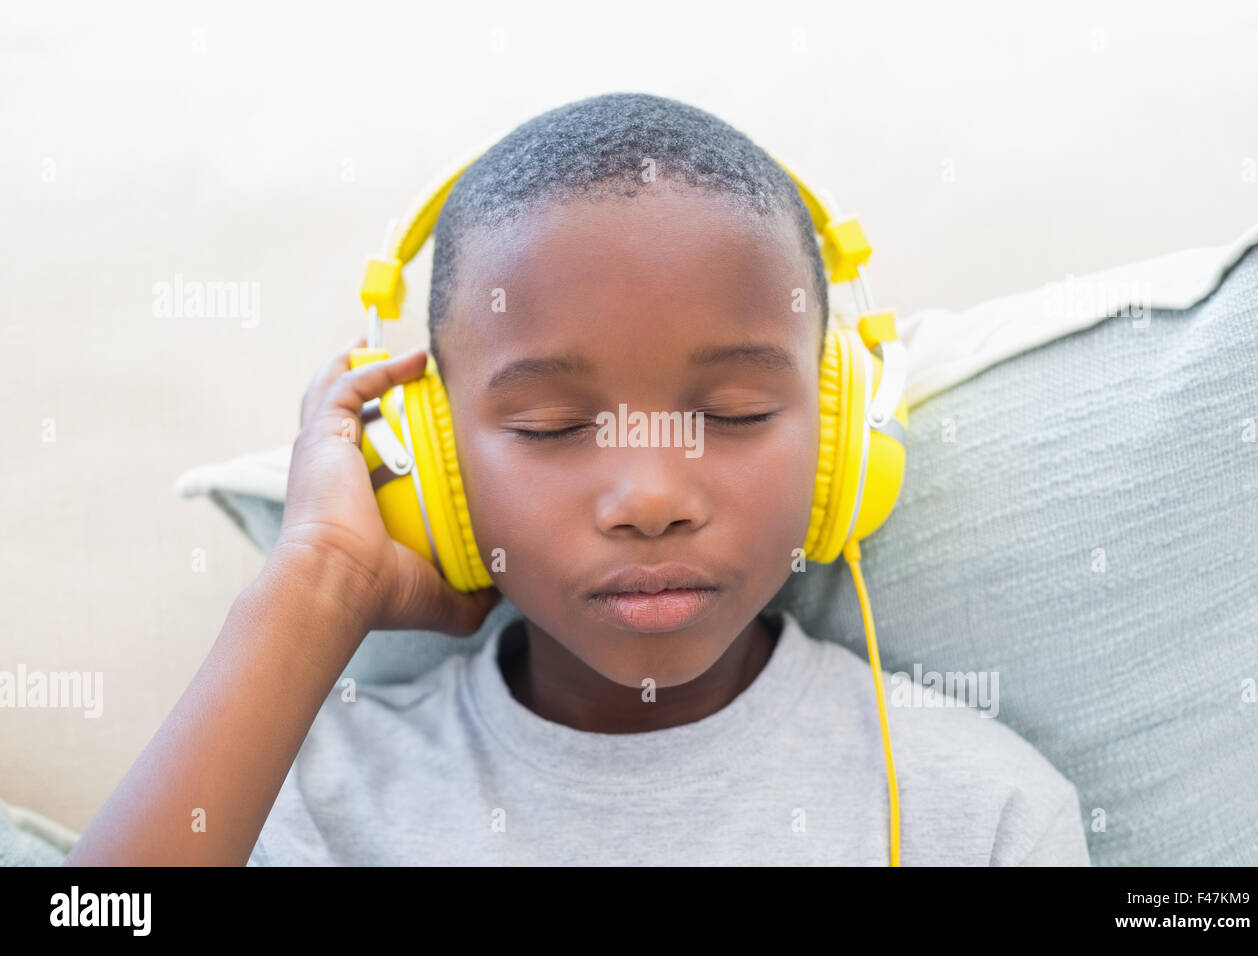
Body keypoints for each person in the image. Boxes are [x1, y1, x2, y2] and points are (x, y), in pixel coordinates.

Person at [65, 92, 1090, 866]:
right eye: (553, 425)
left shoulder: (983, 812)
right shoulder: (310, 795)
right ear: (433, 463)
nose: (649, 497)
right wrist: (317, 578)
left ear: (843, 442)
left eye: (731, 413)